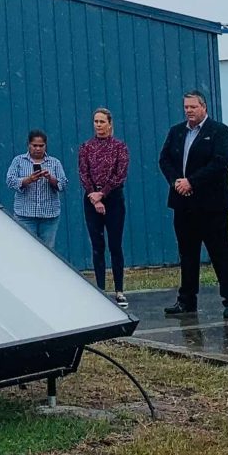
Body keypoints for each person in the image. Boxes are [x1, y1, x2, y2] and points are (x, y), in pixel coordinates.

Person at [159, 91, 228, 319]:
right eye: (186, 107)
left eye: (193, 107)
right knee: (187, 254)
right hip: (183, 204)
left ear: (203, 107)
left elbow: (220, 162)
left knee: (220, 253)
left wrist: (192, 182)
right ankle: (186, 300)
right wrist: (177, 182)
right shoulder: (176, 132)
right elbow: (164, 159)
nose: (189, 111)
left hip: (212, 204)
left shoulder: (219, 131)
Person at [77, 107, 131, 307]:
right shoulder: (86, 147)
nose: (98, 125)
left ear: (110, 124)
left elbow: (120, 173)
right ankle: (100, 288)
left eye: (102, 122)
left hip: (113, 199)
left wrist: (103, 193)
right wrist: (94, 196)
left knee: (115, 245)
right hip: (91, 199)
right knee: (97, 245)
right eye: (96, 122)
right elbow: (83, 172)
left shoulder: (119, 147)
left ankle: (119, 289)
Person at [5, 130, 66, 248]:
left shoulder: (54, 163)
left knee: (48, 252)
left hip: (49, 216)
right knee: (26, 250)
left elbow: (63, 184)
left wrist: (50, 178)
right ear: (28, 145)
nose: (38, 149)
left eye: (41, 146)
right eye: (35, 145)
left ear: (46, 146)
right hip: (25, 215)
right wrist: (28, 180)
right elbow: (10, 181)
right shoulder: (18, 161)